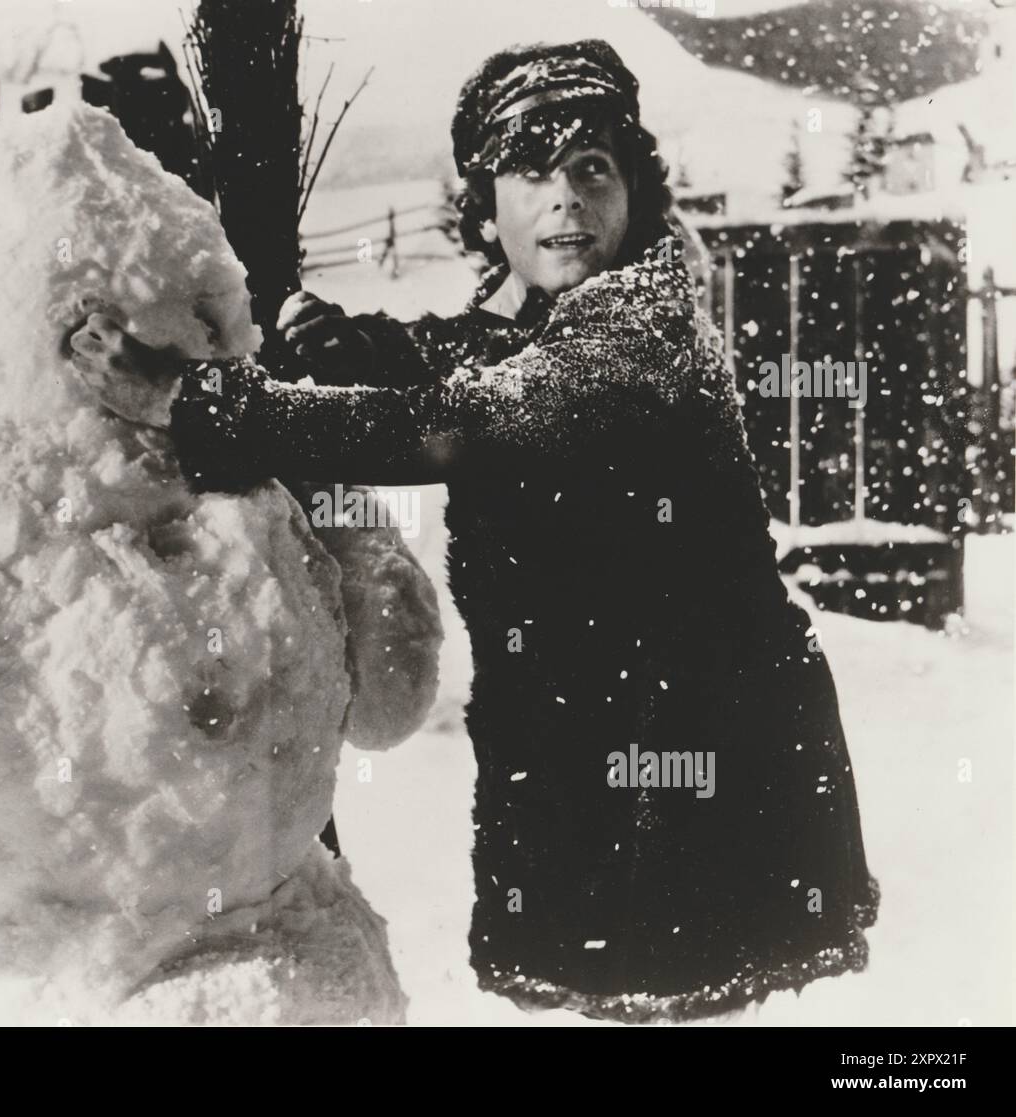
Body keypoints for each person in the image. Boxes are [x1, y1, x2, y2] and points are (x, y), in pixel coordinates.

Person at [68, 39, 880, 1023]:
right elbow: (463, 354)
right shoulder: (548, 318)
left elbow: (460, 421)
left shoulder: (643, 332)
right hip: (604, 731)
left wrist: (190, 401)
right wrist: (357, 344)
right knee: (623, 991)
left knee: (671, 996)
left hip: (698, 744)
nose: (564, 199)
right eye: (530, 172)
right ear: (488, 205)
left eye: (592, 168)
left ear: (637, 189)